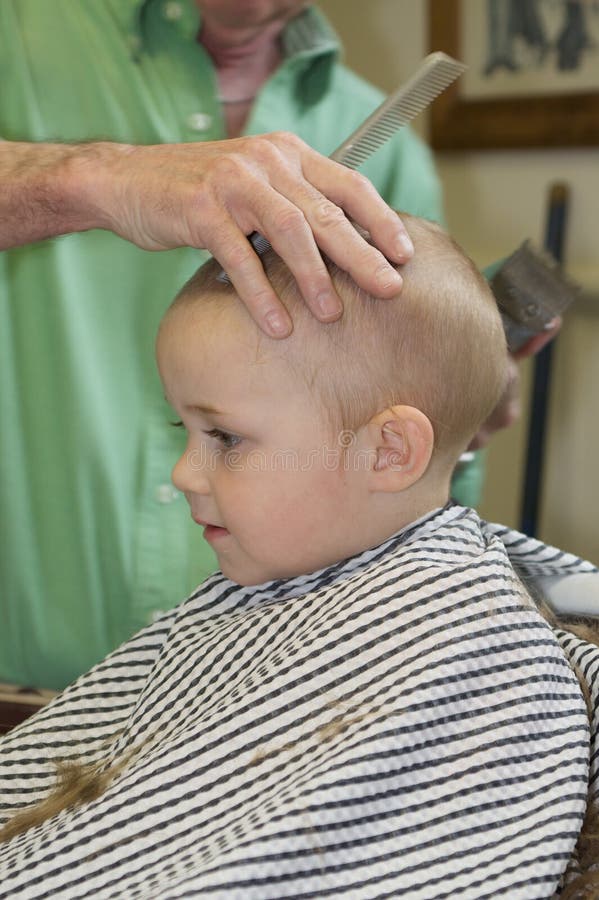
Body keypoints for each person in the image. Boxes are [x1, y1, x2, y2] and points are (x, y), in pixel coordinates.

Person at [0, 215, 597, 898]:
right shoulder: (276, 596)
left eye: (223, 437)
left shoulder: (472, 651)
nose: (185, 474)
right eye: (183, 429)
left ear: (389, 451)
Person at [0, 0, 455, 690]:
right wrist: (89, 177)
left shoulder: (382, 149)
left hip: (255, 715)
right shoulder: (18, 30)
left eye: (224, 438)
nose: (191, 475)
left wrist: (465, 402)